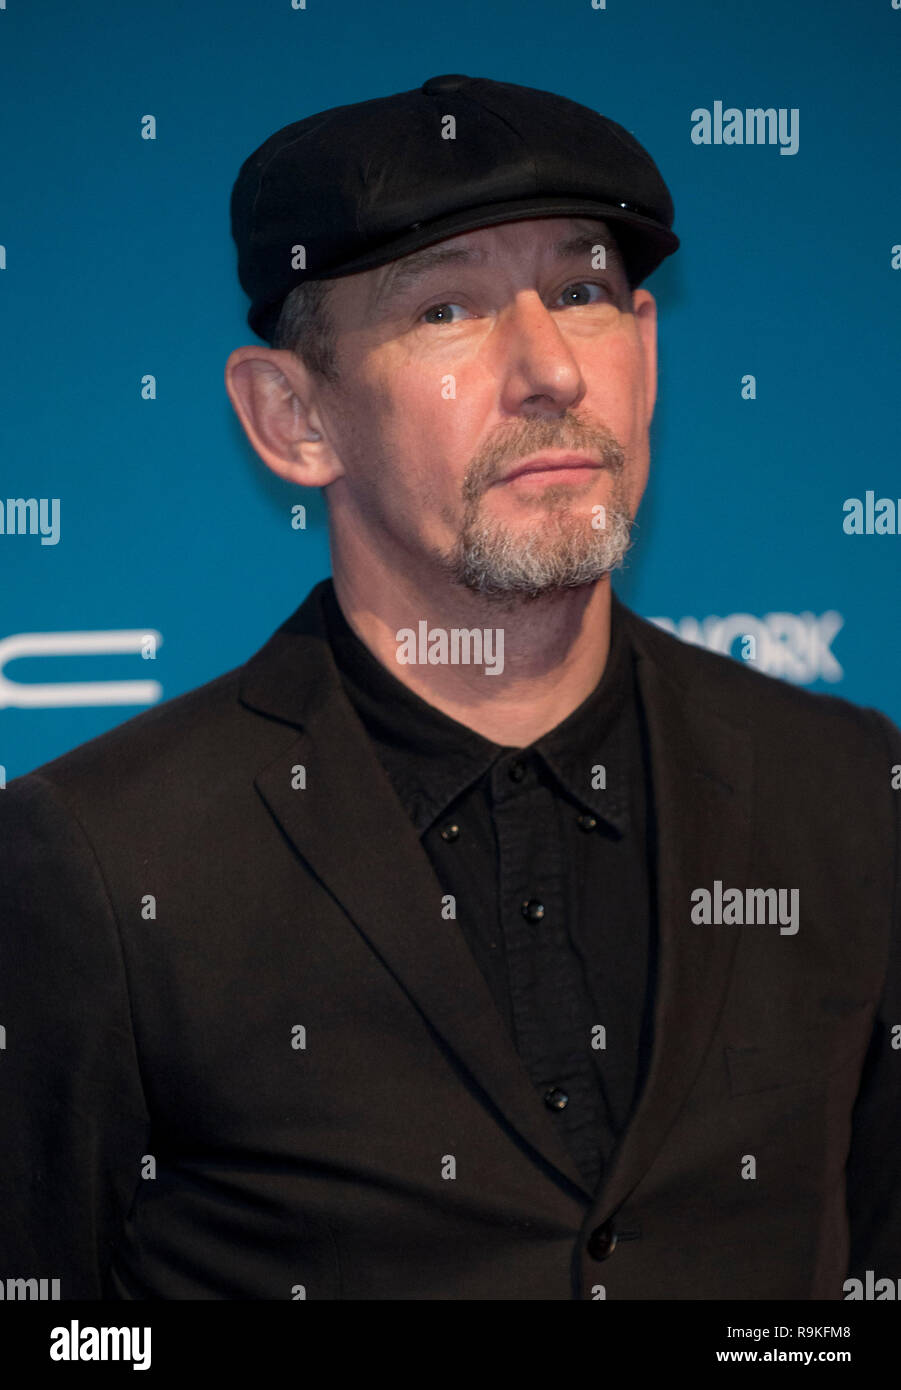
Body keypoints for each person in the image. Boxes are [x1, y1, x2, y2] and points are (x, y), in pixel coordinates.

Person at [1, 74, 899, 1301]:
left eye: (582, 293)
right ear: (292, 418)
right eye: (446, 310)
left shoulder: (848, 793)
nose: (548, 371)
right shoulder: (106, 862)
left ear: (643, 352)